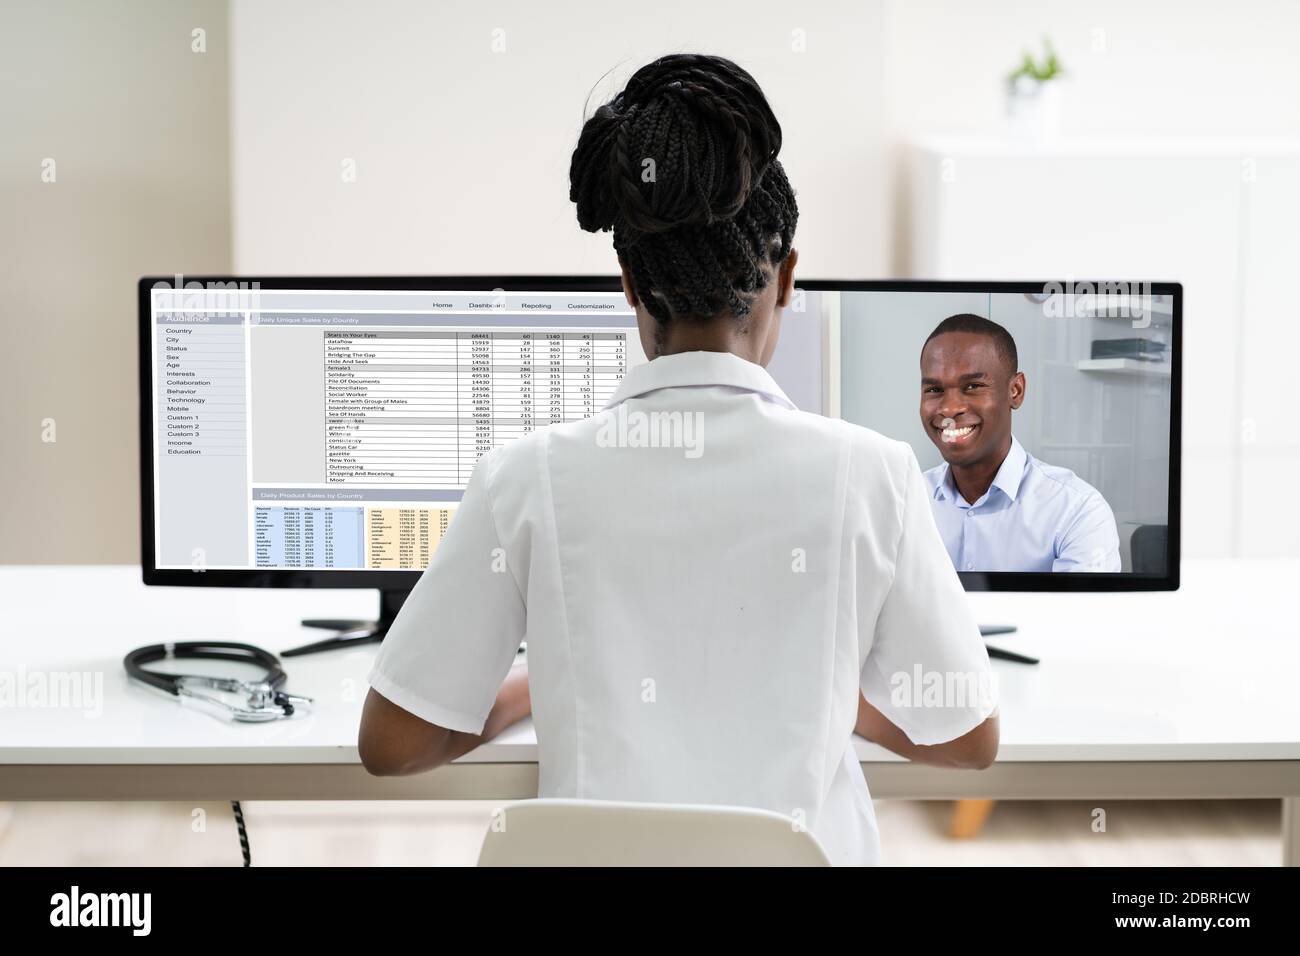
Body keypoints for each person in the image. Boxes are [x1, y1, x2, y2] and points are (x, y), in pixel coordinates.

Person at [358, 53, 998, 866]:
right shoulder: (872, 473)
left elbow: (391, 739)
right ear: (788, 278)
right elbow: (969, 737)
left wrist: (541, 687)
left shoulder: (525, 478)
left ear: (628, 281)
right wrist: (825, 695)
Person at [919, 313, 1121, 572]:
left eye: (973, 386)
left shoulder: (1077, 511)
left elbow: (1079, 613)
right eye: (934, 390)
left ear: (1015, 391)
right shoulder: (907, 503)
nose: (949, 408)